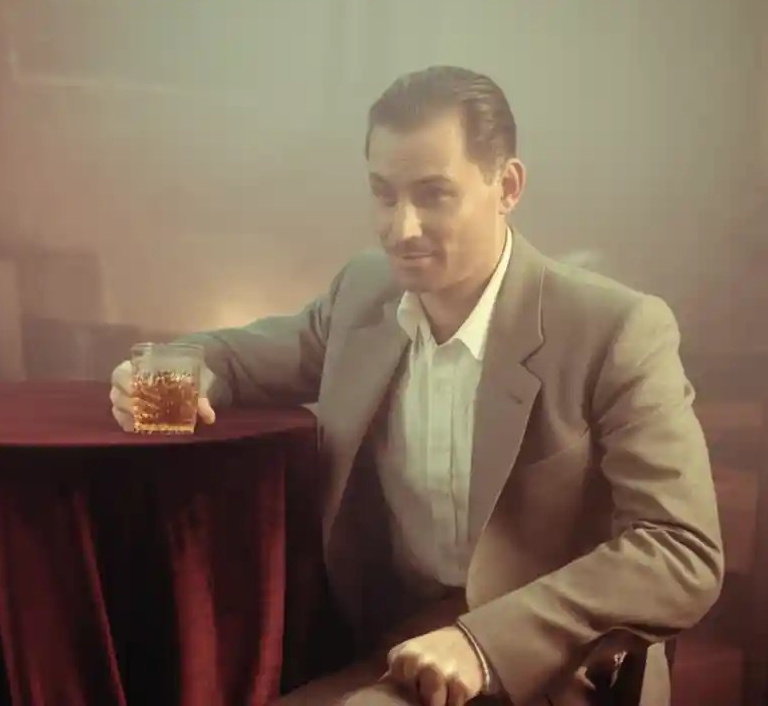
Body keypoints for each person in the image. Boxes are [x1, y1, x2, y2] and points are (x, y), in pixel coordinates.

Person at [109, 66, 723, 706]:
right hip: (389, 652)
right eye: (384, 194)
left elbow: (683, 550)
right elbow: (235, 357)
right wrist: (163, 377)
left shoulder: (616, 328)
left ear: (507, 186)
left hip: (548, 670)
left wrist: (480, 643)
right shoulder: (363, 295)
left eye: (433, 195)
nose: (402, 228)